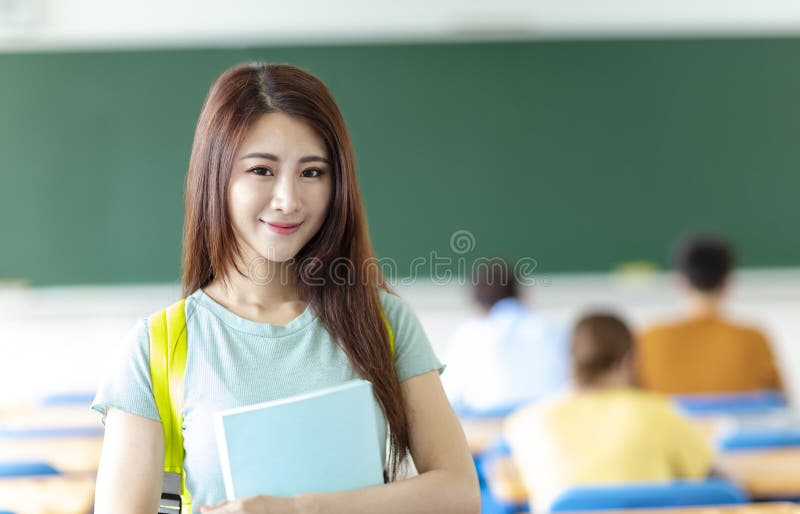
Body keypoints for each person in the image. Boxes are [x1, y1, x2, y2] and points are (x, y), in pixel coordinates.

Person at [91, 62, 479, 514]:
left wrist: (297, 509)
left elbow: (459, 494)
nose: (289, 199)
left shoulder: (384, 322)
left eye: (312, 173)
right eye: (261, 170)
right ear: (216, 177)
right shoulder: (158, 347)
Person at [505, 313, 712, 512]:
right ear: (628, 361)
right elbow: (705, 473)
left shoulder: (528, 422)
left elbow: (508, 479)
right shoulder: (660, 412)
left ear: (571, 359)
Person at [638, 235, 784, 394]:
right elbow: (780, 402)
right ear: (727, 282)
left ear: (681, 282)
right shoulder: (753, 339)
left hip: (667, 420)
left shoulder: (651, 338)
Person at [442, 260, 568, 414]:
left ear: (477, 302)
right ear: (521, 293)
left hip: (484, 427)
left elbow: (450, 396)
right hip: (543, 421)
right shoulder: (550, 329)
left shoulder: (468, 334)